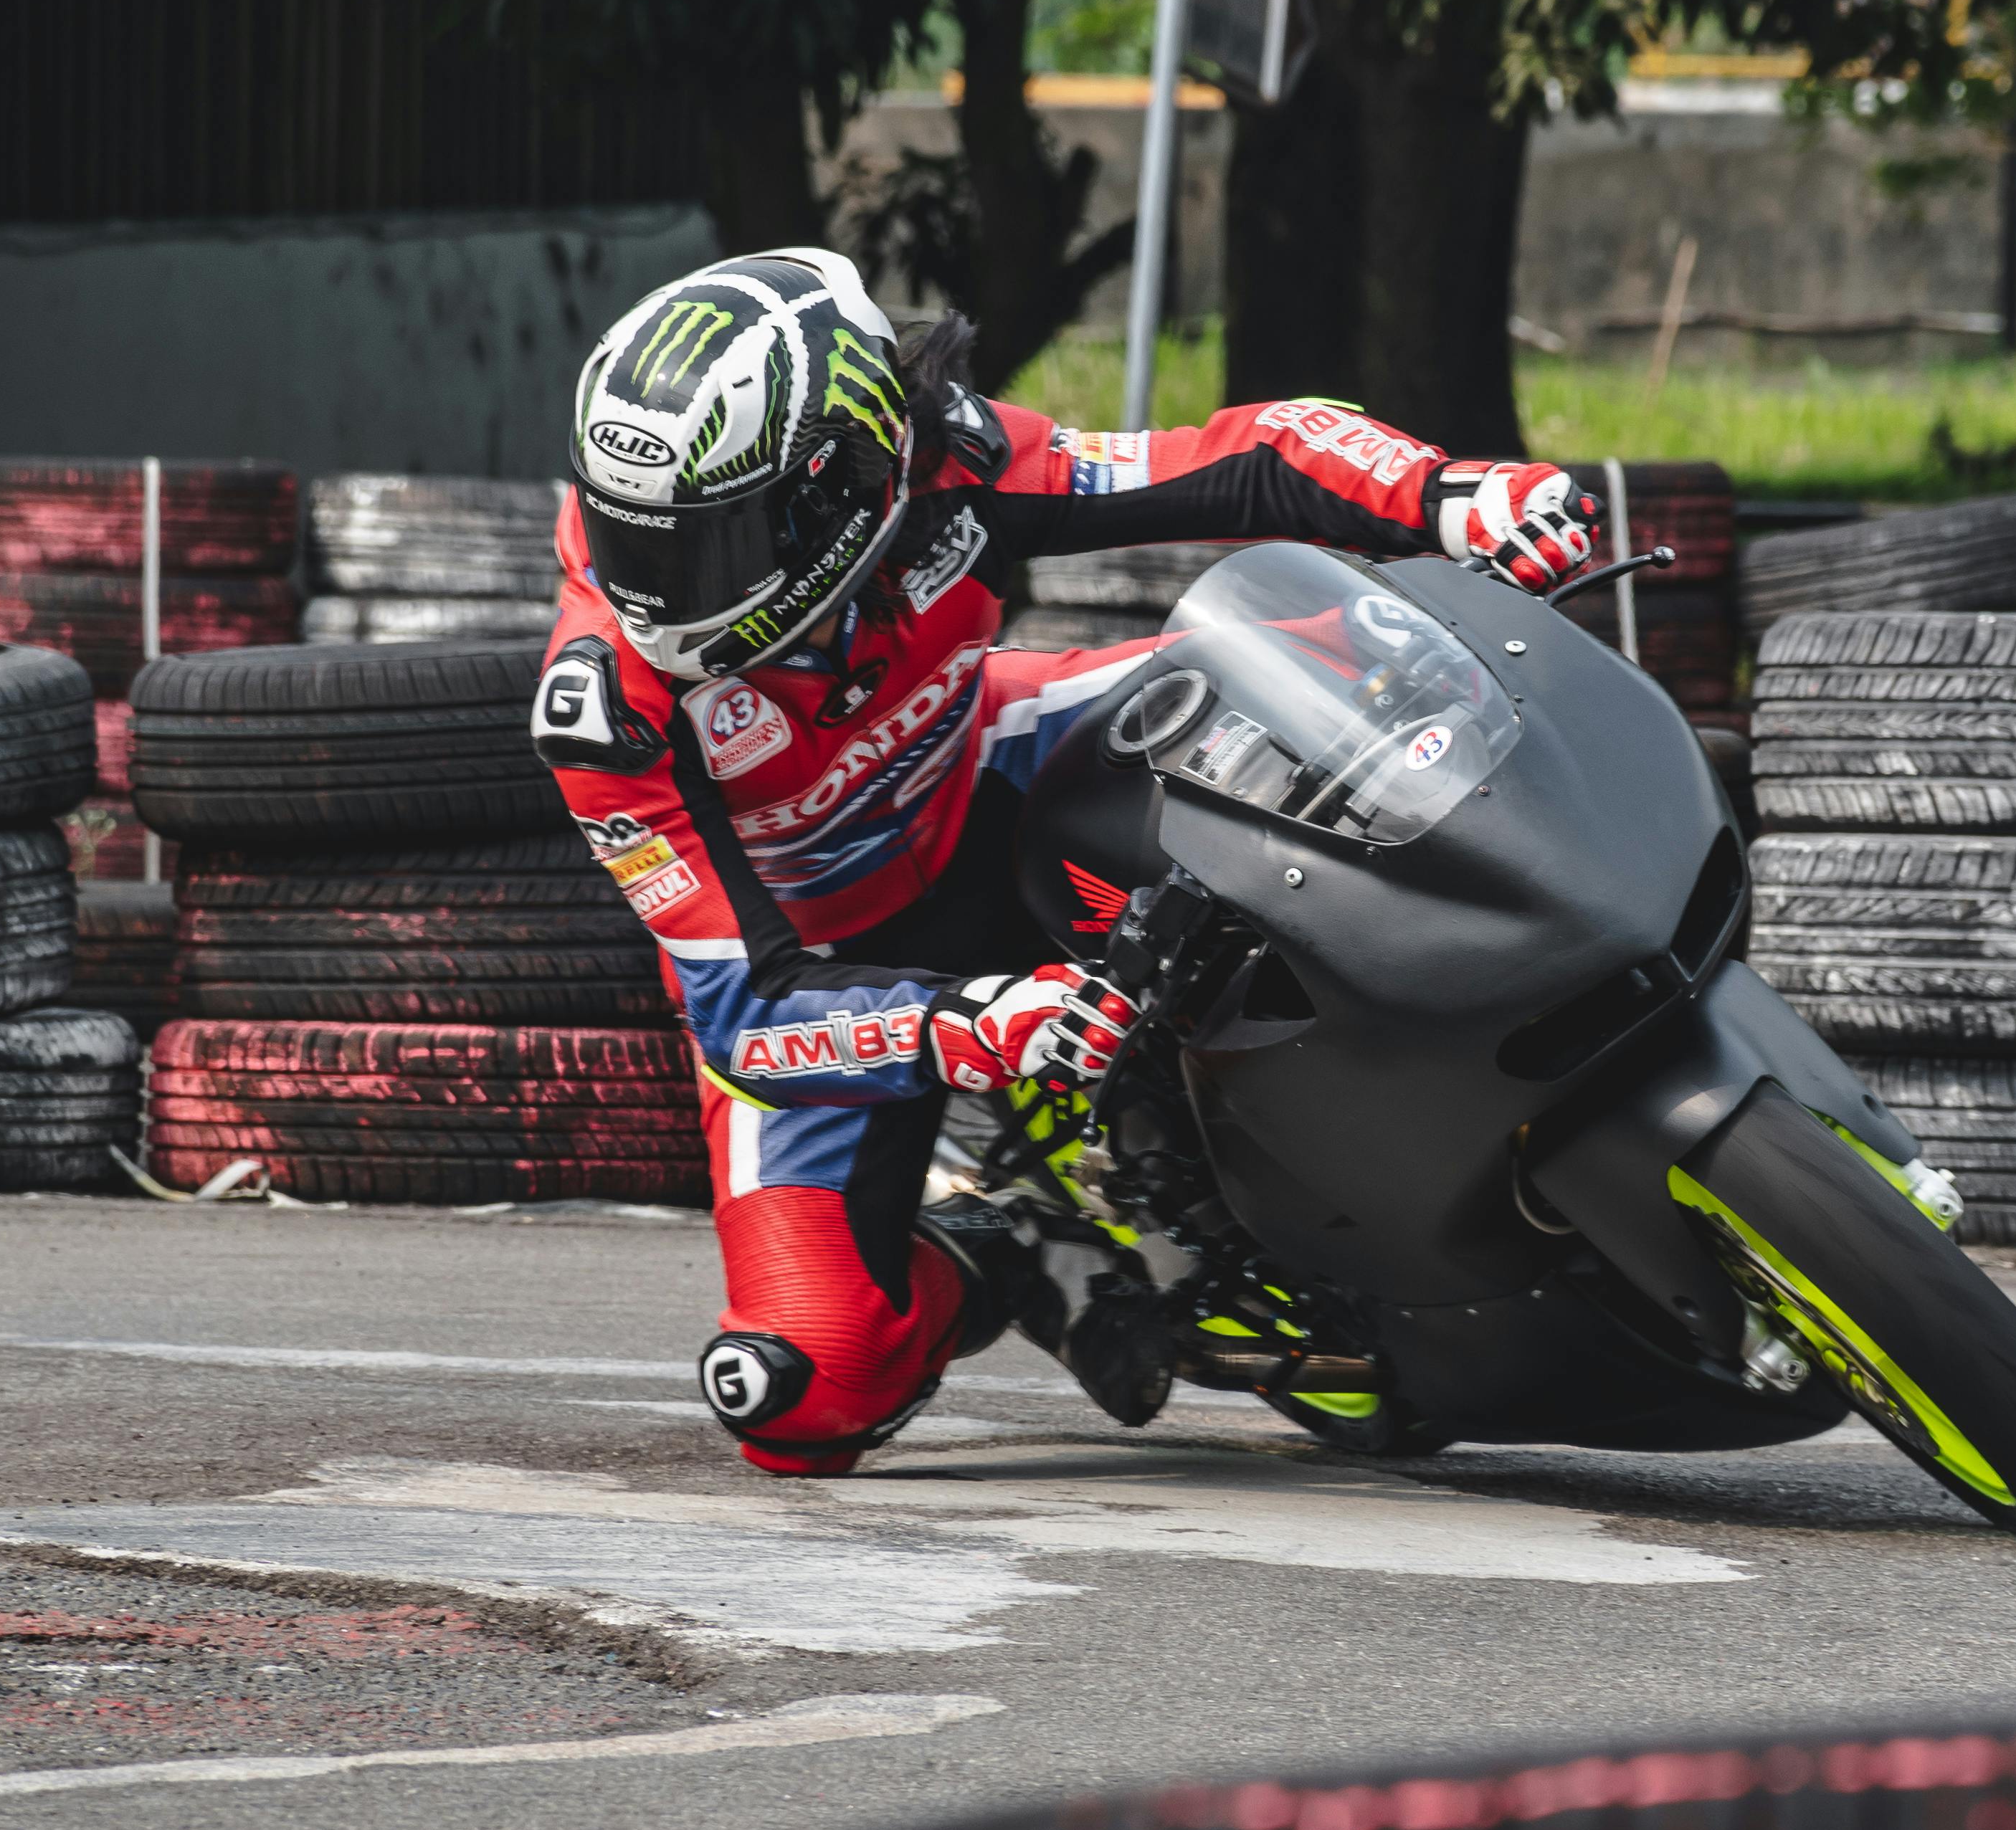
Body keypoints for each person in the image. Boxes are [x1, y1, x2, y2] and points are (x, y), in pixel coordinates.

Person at [534, 248, 1605, 1474]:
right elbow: (740, 1019)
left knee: (1342, 660)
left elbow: (1241, 455)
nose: (653, 589)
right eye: (634, 537)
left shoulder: (948, 461)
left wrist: (1454, 492)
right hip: (830, 971)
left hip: (1004, 761)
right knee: (797, 1393)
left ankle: (1508, 989)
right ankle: (1015, 1250)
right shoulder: (606, 708)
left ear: (839, 478)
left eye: (703, 545)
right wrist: (972, 1023)